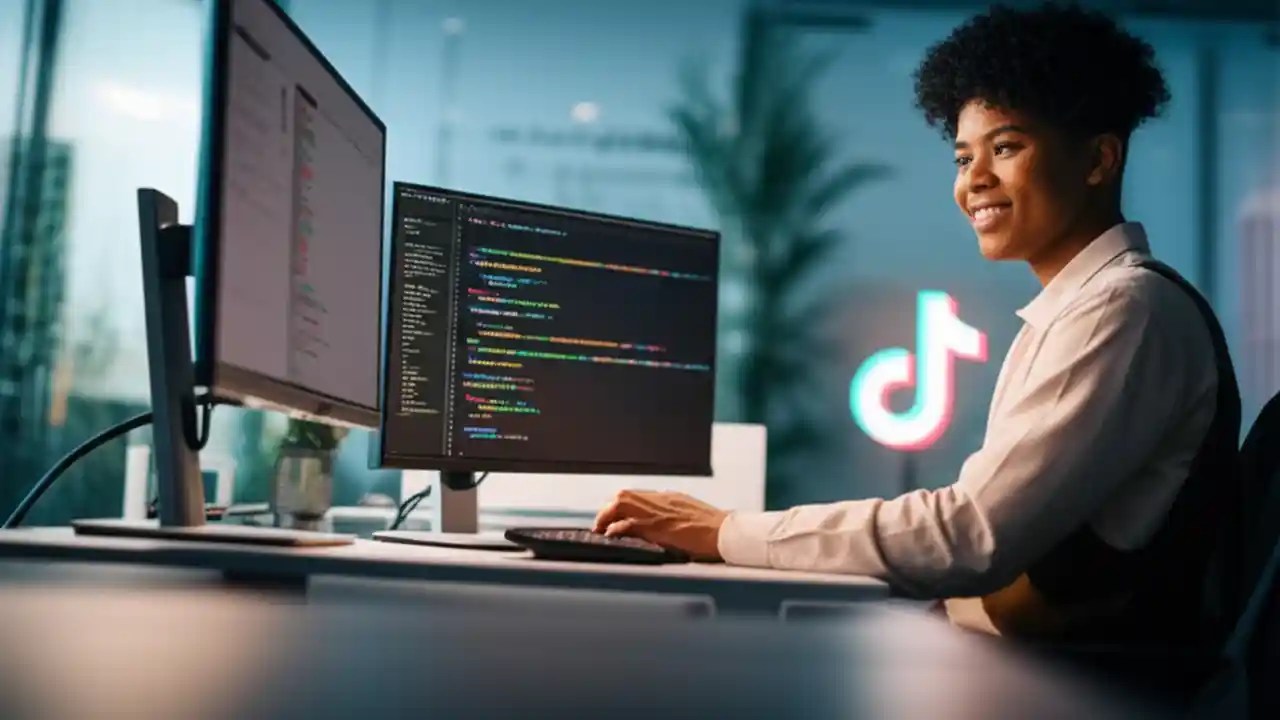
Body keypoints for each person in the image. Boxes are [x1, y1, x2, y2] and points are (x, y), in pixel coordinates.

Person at [594, 2, 1242, 644]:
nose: (974, 181)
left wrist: (726, 532)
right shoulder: (1085, 308)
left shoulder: (1125, 309)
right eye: (963, 159)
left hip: (1078, 691)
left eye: (1006, 147)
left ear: (1099, 160)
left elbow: (969, 536)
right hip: (1009, 658)